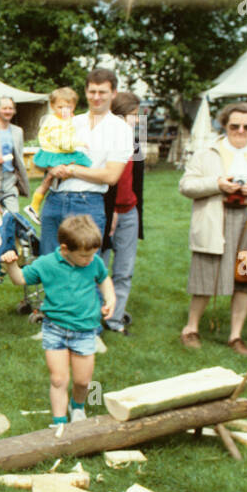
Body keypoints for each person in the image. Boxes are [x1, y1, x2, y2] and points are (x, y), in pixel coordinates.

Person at [179, 101, 247, 356]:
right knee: (206, 276)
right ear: (224, 124)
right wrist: (217, 184)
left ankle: (235, 335)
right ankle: (191, 328)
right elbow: (186, 185)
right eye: (234, 126)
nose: (240, 131)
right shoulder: (208, 150)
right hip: (215, 218)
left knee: (245, 278)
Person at [1, 215, 115, 432]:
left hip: (85, 331)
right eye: (84, 256)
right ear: (65, 248)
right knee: (58, 379)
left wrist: (110, 299)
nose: (89, 259)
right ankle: (59, 422)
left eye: (92, 254)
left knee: (83, 381)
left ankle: (78, 407)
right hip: (55, 330)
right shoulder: (46, 264)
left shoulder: (94, 262)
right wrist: (11, 265)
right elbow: (20, 279)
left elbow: (104, 279)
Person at [39, 69, 132, 257]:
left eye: (102, 92)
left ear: (113, 93)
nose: (96, 97)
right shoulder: (71, 121)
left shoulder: (120, 128)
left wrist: (72, 170)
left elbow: (111, 176)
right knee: (50, 268)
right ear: (86, 92)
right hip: (54, 199)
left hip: (87, 202)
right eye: (92, 91)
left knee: (84, 271)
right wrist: (52, 167)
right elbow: (44, 157)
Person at [102, 92, 145, 334]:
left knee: (124, 270)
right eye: (133, 115)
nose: (137, 121)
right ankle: (96, 312)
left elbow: (135, 181)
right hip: (108, 213)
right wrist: (112, 212)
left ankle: (115, 320)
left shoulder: (136, 143)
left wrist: (134, 210)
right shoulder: (105, 141)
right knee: (99, 266)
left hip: (130, 212)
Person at [28, 87, 84, 216]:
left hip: (63, 151)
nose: (65, 110)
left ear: (74, 106)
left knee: (55, 177)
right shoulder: (53, 121)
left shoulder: (71, 119)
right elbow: (58, 139)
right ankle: (34, 205)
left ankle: (37, 205)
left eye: (68, 107)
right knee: (49, 178)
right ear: (53, 106)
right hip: (53, 152)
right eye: (60, 107)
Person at [0, 97, 28, 262]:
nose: (8, 111)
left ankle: (11, 255)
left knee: (14, 216)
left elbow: (19, 156)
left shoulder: (17, 131)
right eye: (5, 108)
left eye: (11, 108)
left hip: (10, 180)